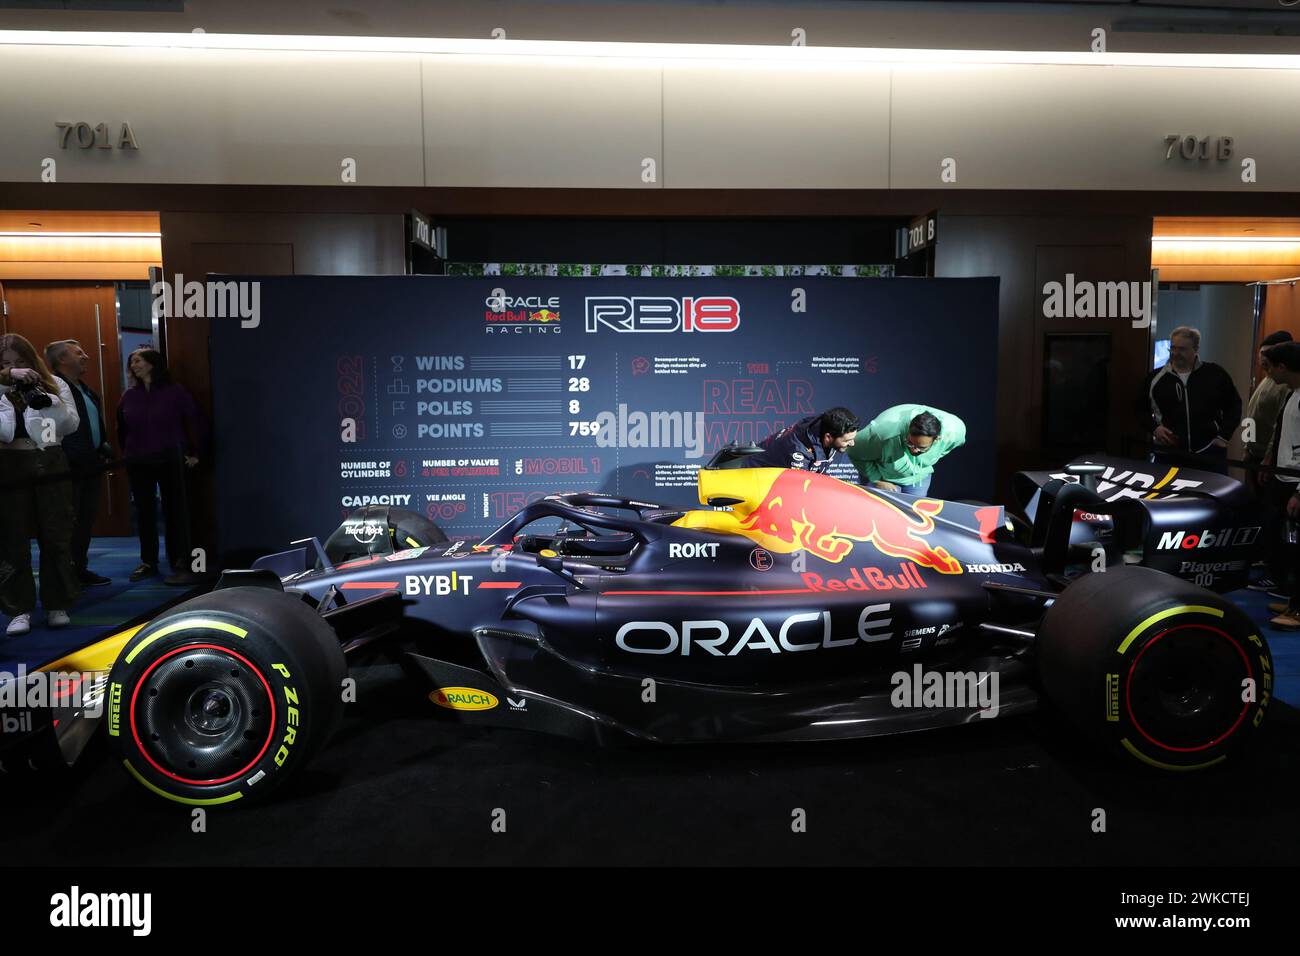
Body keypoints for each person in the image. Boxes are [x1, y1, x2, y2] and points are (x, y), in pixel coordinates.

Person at [0, 333, 81, 636]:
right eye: (6, 364)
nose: (15, 368)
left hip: (50, 457)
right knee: (11, 537)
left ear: (31, 360)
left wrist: (53, 403)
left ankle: (56, 603)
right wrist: (6, 383)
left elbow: (72, 425)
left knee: (56, 533)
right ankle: (18, 609)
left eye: (20, 362)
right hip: (8, 463)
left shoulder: (54, 383)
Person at [116, 347, 206, 585]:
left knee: (174, 510)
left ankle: (179, 560)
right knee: (144, 511)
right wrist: (126, 453)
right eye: (132, 362)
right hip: (138, 460)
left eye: (138, 361)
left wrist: (196, 453)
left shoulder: (175, 392)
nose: (133, 365)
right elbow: (121, 428)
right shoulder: (129, 395)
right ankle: (149, 561)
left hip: (171, 459)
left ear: (153, 364)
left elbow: (194, 420)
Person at [46, 339, 113, 587]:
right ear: (62, 359)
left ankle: (79, 568)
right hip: (67, 466)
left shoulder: (85, 389)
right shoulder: (52, 387)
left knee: (85, 519)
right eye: (79, 353)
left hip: (91, 463)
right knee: (67, 522)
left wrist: (102, 445)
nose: (86, 356)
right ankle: (65, 574)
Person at [1137, 325, 1241, 474]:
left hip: (1209, 453)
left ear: (1195, 349)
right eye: (1173, 348)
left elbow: (1234, 405)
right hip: (1169, 455)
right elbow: (1139, 408)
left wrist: (1223, 436)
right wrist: (1154, 428)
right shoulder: (1155, 378)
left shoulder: (1214, 374)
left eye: (1182, 349)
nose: (1176, 353)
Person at [1244, 330, 1293, 595]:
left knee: (1275, 517)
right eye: (1260, 353)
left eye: (1266, 354)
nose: (1262, 359)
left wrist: (1268, 456)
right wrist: (1247, 447)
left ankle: (1277, 573)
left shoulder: (1285, 386)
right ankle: (1267, 560)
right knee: (1262, 512)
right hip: (1255, 454)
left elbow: (1279, 427)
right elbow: (1252, 416)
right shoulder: (1266, 380)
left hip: (1272, 460)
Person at [1258, 341, 1300, 629]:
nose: (1268, 373)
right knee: (1288, 546)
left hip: (1297, 483)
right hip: (1284, 478)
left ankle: (1298, 610)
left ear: (1283, 366)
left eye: (1270, 366)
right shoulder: (1293, 394)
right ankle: (1293, 601)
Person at [847, 405, 966, 496]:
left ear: (937, 439)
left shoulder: (955, 433)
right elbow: (853, 451)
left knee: (914, 518)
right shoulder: (882, 433)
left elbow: (950, 447)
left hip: (919, 476)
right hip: (883, 475)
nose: (914, 451)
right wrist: (876, 480)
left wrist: (930, 457)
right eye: (910, 443)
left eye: (921, 448)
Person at [742, 407, 860, 473]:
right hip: (752, 474)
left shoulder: (827, 425)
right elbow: (801, 490)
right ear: (828, 437)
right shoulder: (798, 451)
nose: (852, 443)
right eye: (847, 441)